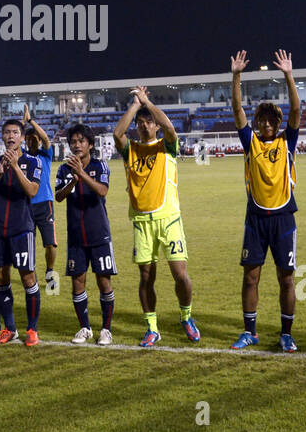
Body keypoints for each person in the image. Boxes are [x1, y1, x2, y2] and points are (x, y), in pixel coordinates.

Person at [113, 85, 198, 347]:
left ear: (156, 126)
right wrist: (136, 106)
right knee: (146, 277)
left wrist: (147, 103)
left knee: (180, 275)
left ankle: (186, 316)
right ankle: (152, 327)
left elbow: (170, 127)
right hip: (142, 223)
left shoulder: (167, 146)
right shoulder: (131, 150)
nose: (144, 125)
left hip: (169, 219)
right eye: (140, 123)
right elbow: (118, 133)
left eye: (148, 122)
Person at [229, 49, 300, 351]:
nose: (267, 123)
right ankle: (250, 331)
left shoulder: (288, 141)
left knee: (286, 280)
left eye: (272, 119)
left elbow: (296, 110)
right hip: (256, 220)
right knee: (251, 278)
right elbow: (237, 111)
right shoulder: (251, 141)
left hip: (284, 218)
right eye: (263, 119)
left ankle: (286, 333)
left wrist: (288, 74)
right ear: (257, 122)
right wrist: (236, 76)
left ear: (278, 122)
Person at [0, 118, 44, 346]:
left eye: (15, 132)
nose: (10, 136)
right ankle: (10, 329)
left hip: (21, 229)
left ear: (22, 137)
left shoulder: (33, 162)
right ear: (2, 136)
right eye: (7, 132)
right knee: (1, 278)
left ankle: (32, 330)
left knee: (27, 277)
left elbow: (33, 191)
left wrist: (15, 167)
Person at [55, 123, 115, 345]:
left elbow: (102, 191)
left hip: (99, 233)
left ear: (90, 144)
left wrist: (82, 174)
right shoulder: (63, 169)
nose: (77, 145)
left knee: (103, 282)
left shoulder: (100, 166)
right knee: (78, 282)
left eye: (81, 141)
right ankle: (85, 328)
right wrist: (73, 178)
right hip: (76, 236)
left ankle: (106, 330)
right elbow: (59, 197)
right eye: (73, 142)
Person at [21, 105, 59, 286]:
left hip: (45, 204)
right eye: (28, 139)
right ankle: (32, 278)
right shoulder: (23, 158)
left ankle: (50, 273)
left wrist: (29, 121)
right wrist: (22, 128)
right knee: (29, 243)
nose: (32, 141)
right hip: (26, 205)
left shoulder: (46, 155)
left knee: (50, 243)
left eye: (34, 138)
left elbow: (45, 138)